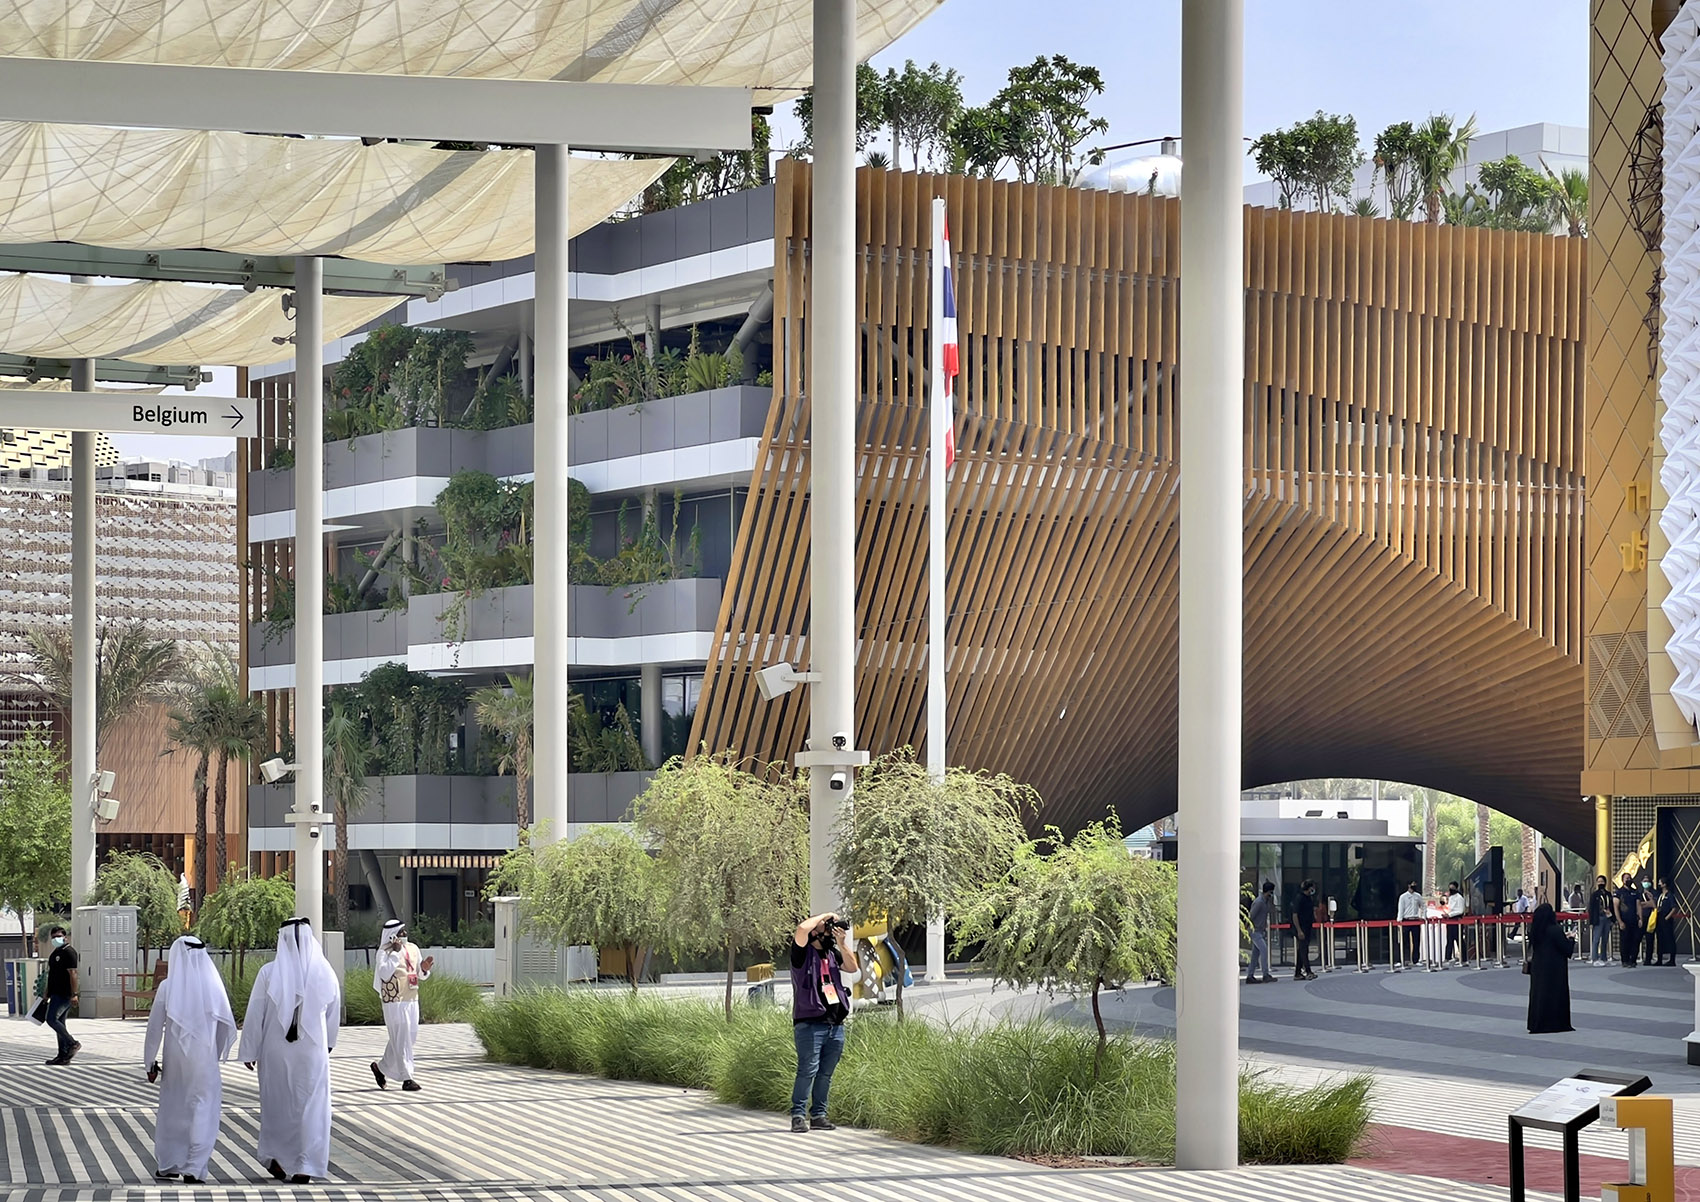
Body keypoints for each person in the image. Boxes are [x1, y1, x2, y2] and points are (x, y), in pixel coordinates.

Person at [239, 918, 341, 1183]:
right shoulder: (324, 972)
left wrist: (250, 1050)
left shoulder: (269, 973)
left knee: (278, 1105)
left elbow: (255, 1014)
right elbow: (333, 1013)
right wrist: (327, 1043)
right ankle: (305, 1163)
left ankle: (277, 1159)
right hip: (312, 1052)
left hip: (276, 1052)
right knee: (310, 1106)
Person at [144, 936, 237, 1183]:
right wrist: (214, 1055)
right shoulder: (213, 986)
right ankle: (194, 1167)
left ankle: (169, 1164)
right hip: (204, 1061)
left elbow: (154, 1029)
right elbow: (226, 1026)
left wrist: (149, 1063)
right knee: (203, 1109)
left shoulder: (167, 987)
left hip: (175, 1062)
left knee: (173, 1109)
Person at [788, 911, 860, 1133]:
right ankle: (798, 1115)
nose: (829, 929)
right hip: (810, 1023)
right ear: (814, 931)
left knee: (825, 1073)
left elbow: (852, 967)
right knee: (807, 1070)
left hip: (835, 1024)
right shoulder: (801, 953)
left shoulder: (831, 953)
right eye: (826, 927)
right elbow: (801, 929)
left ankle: (819, 1114)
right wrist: (825, 915)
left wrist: (842, 942)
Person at [370, 918, 434, 1092]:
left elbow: (420, 974)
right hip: (394, 1001)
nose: (404, 935)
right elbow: (384, 973)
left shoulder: (413, 948)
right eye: (400, 933)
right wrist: (395, 953)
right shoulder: (384, 952)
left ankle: (380, 1068)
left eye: (404, 932)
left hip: (412, 998)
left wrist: (425, 968)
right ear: (391, 936)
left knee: (408, 1037)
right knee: (401, 1038)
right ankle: (407, 1078)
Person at [1526, 903, 1576, 1033]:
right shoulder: (1555, 929)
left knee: (1539, 995)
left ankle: (1537, 1023)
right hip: (1555, 969)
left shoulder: (1535, 931)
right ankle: (1556, 1023)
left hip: (1539, 968)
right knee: (1555, 995)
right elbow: (1566, 949)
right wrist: (1571, 939)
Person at [41, 925, 80, 1065]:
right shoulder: (54, 954)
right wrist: (47, 992)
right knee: (60, 1023)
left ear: (65, 937)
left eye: (58, 936)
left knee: (51, 1019)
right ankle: (63, 1055)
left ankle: (72, 1043)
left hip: (65, 993)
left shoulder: (69, 952)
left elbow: (73, 974)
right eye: (53, 937)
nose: (56, 939)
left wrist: (74, 994)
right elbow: (51, 975)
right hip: (55, 992)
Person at [1245, 881, 1275, 984]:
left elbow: (1271, 911)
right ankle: (1265, 974)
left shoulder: (1266, 902)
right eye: (1270, 892)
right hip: (1255, 930)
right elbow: (1251, 915)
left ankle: (1250, 975)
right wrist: (1246, 927)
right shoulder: (1259, 902)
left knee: (1255, 954)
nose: (1271, 895)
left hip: (1260, 930)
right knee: (1264, 950)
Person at [1649, 877, 1678, 967]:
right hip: (1659, 918)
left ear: (1665, 884)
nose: (1659, 884)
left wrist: (1667, 917)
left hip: (1666, 919)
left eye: (1660, 883)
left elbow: (1674, 908)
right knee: (1659, 939)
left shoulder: (1669, 895)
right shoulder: (1660, 895)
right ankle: (1659, 959)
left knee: (1669, 939)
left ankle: (1672, 960)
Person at [1292, 880, 1317, 981]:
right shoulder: (1300, 898)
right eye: (1312, 887)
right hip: (1301, 927)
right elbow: (1295, 915)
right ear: (1309, 888)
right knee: (1303, 949)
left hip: (1308, 927)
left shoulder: (1309, 898)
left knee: (1301, 950)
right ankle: (1308, 971)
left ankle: (1298, 972)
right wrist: (1299, 930)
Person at [1616, 872, 1643, 967]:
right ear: (1623, 881)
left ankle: (1633, 960)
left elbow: (1638, 905)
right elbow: (1616, 907)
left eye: (1629, 878)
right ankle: (1625, 960)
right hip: (1624, 920)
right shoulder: (1619, 892)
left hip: (1634, 920)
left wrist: (1640, 918)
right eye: (1626, 878)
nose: (1628, 880)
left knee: (1635, 940)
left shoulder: (1635, 892)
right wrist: (1620, 921)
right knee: (1625, 941)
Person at [1396, 880, 1425, 965]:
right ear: (1408, 885)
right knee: (1404, 941)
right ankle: (1401, 960)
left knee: (1416, 941)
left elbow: (1423, 906)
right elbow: (1400, 909)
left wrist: (1423, 916)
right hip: (1406, 920)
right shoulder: (1403, 897)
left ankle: (1416, 960)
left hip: (1415, 920)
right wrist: (1399, 920)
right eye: (1412, 884)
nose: (1414, 886)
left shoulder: (1418, 896)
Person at [1588, 875, 1614, 965]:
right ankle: (1594, 958)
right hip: (1598, 918)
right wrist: (1591, 922)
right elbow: (1591, 909)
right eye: (1599, 882)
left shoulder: (1608, 894)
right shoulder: (1594, 895)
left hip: (1607, 918)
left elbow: (1612, 906)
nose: (1600, 883)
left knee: (1605, 939)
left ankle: (1604, 957)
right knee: (1596, 939)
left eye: (1602, 881)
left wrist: (1612, 919)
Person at [1445, 882, 1467, 966]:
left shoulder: (1459, 898)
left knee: (1459, 939)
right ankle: (1448, 957)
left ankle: (1464, 958)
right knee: (1449, 940)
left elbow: (1460, 910)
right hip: (1450, 920)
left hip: (1457, 919)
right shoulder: (1450, 898)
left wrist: (1450, 914)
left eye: (1452, 887)